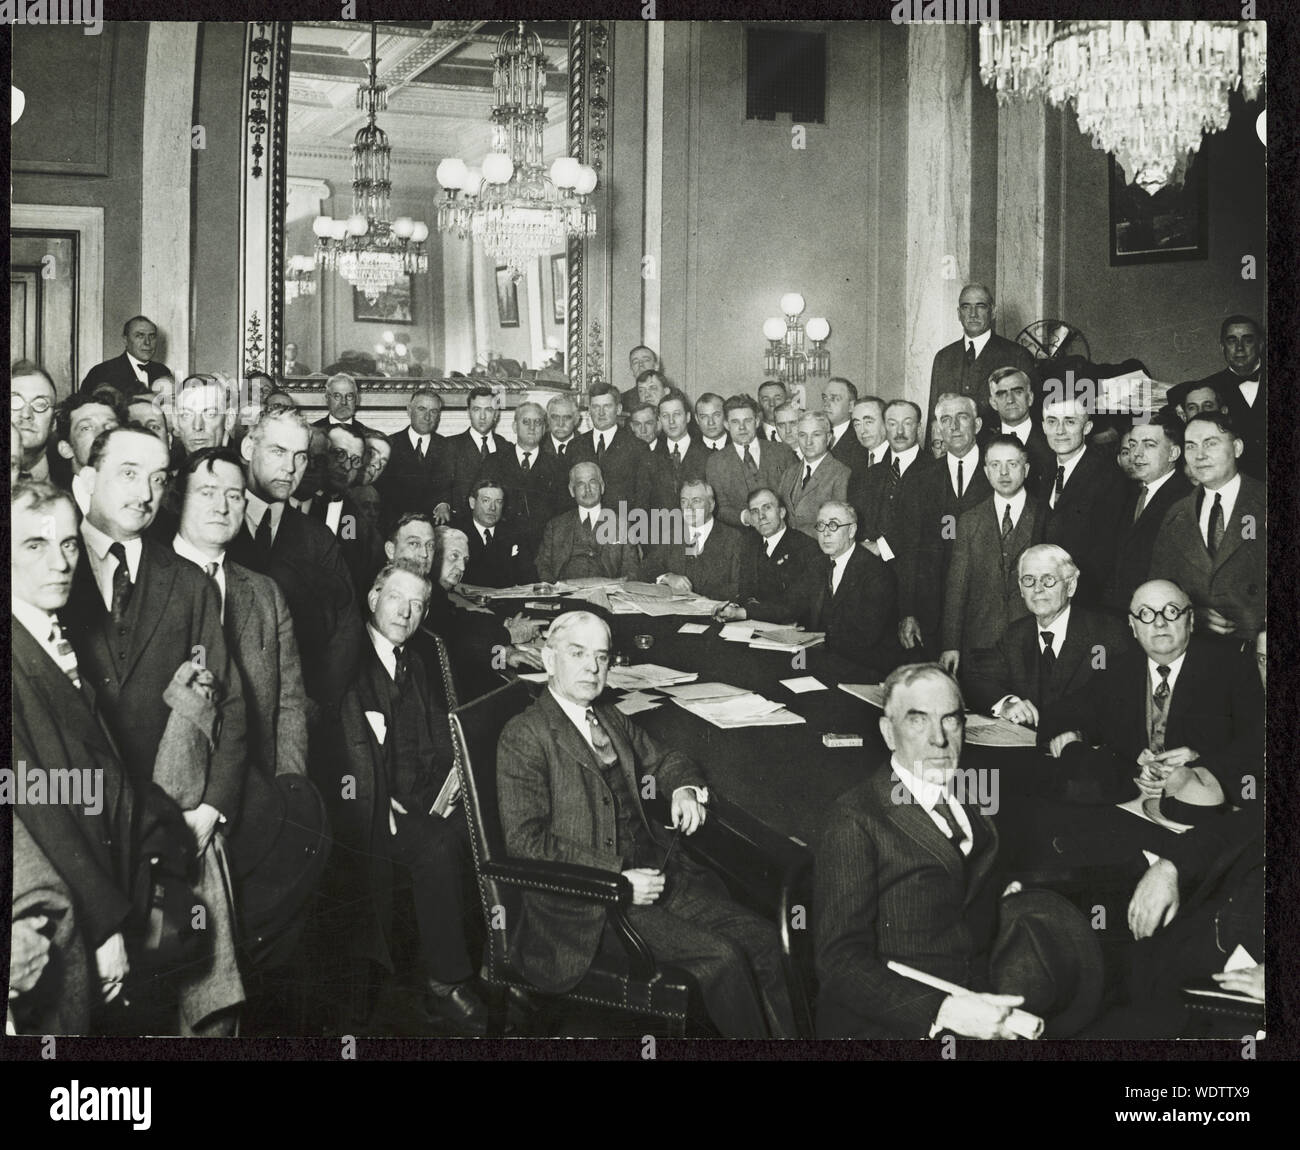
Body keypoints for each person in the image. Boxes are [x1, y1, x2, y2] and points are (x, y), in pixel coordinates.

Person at [496, 610, 796, 1038]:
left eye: (601, 656)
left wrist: (684, 789)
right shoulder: (524, 735)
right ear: (548, 660)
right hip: (590, 907)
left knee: (765, 942)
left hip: (656, 876)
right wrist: (617, 879)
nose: (592, 667)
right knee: (723, 959)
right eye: (577, 653)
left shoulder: (606, 715)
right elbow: (526, 842)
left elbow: (666, 759)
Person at [815, 663, 1100, 1039]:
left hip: (986, 999)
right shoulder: (856, 820)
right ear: (888, 732)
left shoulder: (974, 794)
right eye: (918, 720)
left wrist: (998, 894)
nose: (939, 739)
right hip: (899, 1023)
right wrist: (942, 1011)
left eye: (950, 720)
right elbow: (838, 963)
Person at [171, 448, 327, 975]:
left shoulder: (263, 592)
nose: (222, 506)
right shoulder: (148, 579)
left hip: (258, 803)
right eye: (207, 493)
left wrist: (288, 787)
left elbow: (289, 701)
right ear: (179, 498)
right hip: (176, 809)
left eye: (234, 496)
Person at [10, 481, 155, 1031]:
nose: (60, 562)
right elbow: (35, 806)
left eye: (69, 544)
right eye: (35, 545)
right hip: (63, 919)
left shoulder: (54, 635)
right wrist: (103, 922)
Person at [320, 563, 488, 1032]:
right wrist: (372, 794)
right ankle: (444, 982)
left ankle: (496, 961)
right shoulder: (346, 661)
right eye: (396, 598)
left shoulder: (414, 660)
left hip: (422, 795)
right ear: (373, 598)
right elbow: (331, 746)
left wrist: (456, 782)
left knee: (482, 827)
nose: (406, 612)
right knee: (436, 846)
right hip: (373, 807)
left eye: (417, 604)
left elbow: (439, 736)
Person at [1041, 580, 1262, 807]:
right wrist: (1074, 736)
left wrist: (1201, 762)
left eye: (1171, 611)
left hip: (1200, 807)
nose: (1159, 622)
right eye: (1145, 613)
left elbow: (1258, 745)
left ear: (1191, 620)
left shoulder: (1234, 670)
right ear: (1133, 626)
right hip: (1130, 803)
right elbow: (1058, 715)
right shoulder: (1118, 669)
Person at [227, 408, 363, 712]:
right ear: (248, 448)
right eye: (278, 451)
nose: (290, 468)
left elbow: (346, 629)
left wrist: (318, 703)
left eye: (300, 456)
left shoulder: (318, 538)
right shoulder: (218, 525)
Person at [964, 544, 1131, 727]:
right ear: (1021, 589)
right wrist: (1006, 704)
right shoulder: (1015, 635)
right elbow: (975, 682)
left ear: (1070, 586)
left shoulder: (1107, 633)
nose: (1037, 589)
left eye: (1048, 579)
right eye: (1029, 580)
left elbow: (1124, 704)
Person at [1149, 411, 1265, 647]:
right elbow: (1158, 589)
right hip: (1198, 650)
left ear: (1237, 448)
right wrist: (1191, 615)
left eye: (1210, 443)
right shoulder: (1176, 514)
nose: (1199, 455)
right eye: (1191, 446)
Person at [939, 434, 1044, 681]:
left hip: (1031, 643)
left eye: (1012, 464)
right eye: (995, 465)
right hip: (980, 642)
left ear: (1026, 469)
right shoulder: (969, 520)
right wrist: (950, 644)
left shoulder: (1044, 515)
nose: (1003, 473)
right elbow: (957, 586)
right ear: (986, 471)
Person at [894, 394, 991, 657]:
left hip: (985, 611)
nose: (954, 427)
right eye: (946, 420)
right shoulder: (920, 479)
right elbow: (910, 551)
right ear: (938, 428)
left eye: (962, 417)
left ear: (977, 424)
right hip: (932, 613)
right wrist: (908, 612)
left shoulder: (996, 472)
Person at [1038, 394, 1126, 606]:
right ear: (1043, 427)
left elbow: (1107, 552)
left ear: (1087, 428)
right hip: (1047, 594)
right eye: (1052, 422)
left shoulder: (1109, 476)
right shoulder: (1045, 470)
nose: (1059, 431)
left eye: (1070, 422)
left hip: (1086, 598)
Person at [1103, 410, 1192, 617]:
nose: (1136, 453)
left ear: (1173, 453)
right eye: (1133, 444)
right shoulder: (1131, 493)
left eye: (1149, 445)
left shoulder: (1187, 498)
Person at [926, 283, 1035, 426]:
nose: (973, 314)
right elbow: (934, 419)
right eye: (966, 307)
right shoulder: (944, 357)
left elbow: (1032, 416)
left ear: (993, 312)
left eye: (980, 306)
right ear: (959, 313)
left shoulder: (1017, 355)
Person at [714, 486, 820, 623]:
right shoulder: (748, 543)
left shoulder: (806, 547)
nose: (761, 516)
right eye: (755, 511)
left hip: (790, 628)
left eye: (767, 508)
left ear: (781, 512)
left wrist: (743, 613)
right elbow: (745, 592)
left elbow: (793, 608)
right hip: (752, 625)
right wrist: (731, 608)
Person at [481, 401, 565, 563]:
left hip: (542, 551)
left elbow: (561, 515)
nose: (532, 427)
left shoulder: (557, 467)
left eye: (538, 422)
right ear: (514, 426)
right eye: (526, 422)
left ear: (544, 428)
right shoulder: (493, 462)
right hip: (501, 549)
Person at [1183, 316, 1264, 480]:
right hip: (1231, 482)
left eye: (1247, 340)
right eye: (1232, 341)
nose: (1239, 348)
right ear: (1222, 347)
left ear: (1260, 345)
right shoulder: (1207, 387)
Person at [535, 462, 642, 584]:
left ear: (602, 487)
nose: (588, 489)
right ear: (572, 490)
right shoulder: (555, 526)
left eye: (593, 482)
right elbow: (543, 566)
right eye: (580, 484)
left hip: (607, 592)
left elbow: (631, 570)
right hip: (565, 592)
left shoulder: (622, 525)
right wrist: (557, 589)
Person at [642, 479, 744, 602]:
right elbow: (645, 570)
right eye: (684, 501)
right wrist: (667, 577)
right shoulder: (671, 536)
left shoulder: (734, 539)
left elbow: (740, 588)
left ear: (711, 505)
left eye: (696, 501)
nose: (689, 508)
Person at [705, 393, 797, 529]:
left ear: (757, 421)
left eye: (747, 421)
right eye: (735, 422)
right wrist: (745, 517)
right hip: (741, 536)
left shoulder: (782, 452)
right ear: (726, 425)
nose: (742, 427)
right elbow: (718, 507)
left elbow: (796, 496)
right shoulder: (716, 462)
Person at [852, 399, 923, 549]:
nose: (899, 431)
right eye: (892, 424)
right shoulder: (872, 472)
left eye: (907, 423)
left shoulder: (935, 471)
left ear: (919, 428)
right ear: (885, 427)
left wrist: (881, 548)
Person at [568, 382, 649, 512]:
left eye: (607, 406)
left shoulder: (638, 447)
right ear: (589, 410)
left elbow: (643, 498)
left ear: (619, 409)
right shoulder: (575, 446)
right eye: (596, 407)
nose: (601, 413)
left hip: (623, 521)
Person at [376, 389, 449, 529]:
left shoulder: (447, 446)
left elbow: (450, 487)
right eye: (422, 409)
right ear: (409, 411)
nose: (427, 417)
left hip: (434, 528)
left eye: (433, 411)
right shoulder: (389, 444)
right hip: (395, 527)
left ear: (439, 416)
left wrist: (444, 503)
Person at [778, 410, 851, 539]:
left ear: (828, 438)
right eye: (802, 435)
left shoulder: (841, 474)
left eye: (816, 435)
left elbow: (838, 526)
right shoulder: (788, 473)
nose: (808, 442)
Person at [981, 367, 1054, 493]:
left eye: (1017, 392)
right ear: (993, 403)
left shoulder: (1052, 440)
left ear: (1030, 398)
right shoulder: (982, 445)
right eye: (1002, 394)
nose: (1010, 400)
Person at [455, 477, 537, 588]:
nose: (492, 508)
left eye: (498, 502)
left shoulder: (514, 534)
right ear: (472, 503)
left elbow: (529, 577)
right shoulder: (456, 532)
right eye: (486, 501)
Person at [641, 389, 710, 510]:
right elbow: (642, 505)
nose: (671, 421)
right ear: (659, 420)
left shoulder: (708, 456)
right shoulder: (649, 458)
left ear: (688, 417)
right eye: (665, 416)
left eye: (677, 414)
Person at [79, 316, 170, 397]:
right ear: (125, 340)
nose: (147, 342)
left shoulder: (162, 371)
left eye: (152, 336)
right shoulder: (101, 372)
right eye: (140, 336)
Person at [11, 360, 57, 481]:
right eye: (14, 401)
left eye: (40, 404)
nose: (26, 414)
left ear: (53, 423)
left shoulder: (75, 484)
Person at [822, 377, 870, 475]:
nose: (826, 404)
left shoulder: (861, 441)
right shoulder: (817, 434)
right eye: (824, 398)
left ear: (851, 406)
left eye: (834, 398)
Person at [311, 372, 377, 438]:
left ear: (356, 399)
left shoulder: (369, 436)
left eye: (349, 396)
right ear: (327, 399)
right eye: (337, 396)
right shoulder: (311, 433)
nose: (343, 402)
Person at [542, 393, 581, 460]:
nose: (560, 424)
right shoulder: (537, 446)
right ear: (548, 419)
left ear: (576, 419)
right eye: (555, 417)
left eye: (566, 418)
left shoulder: (588, 447)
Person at [620, 344, 659, 411]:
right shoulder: (623, 400)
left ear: (656, 366)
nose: (640, 364)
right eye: (635, 362)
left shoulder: (672, 394)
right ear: (631, 369)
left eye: (646, 360)